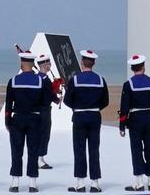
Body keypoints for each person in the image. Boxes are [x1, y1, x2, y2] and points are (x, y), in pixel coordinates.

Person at [62, 50, 110, 193]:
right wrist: (94, 108)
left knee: (79, 149)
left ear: (82, 62)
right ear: (93, 63)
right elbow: (105, 101)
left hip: (79, 117)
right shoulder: (101, 80)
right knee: (94, 150)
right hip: (95, 116)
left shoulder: (75, 79)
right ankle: (95, 183)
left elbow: (67, 100)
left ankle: (80, 182)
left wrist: (77, 108)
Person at [6, 52, 52, 193]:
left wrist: (8, 121)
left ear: (21, 64)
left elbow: (8, 104)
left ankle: (15, 182)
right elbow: (46, 102)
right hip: (35, 119)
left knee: (16, 151)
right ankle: (32, 183)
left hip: (17, 119)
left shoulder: (13, 80)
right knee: (33, 151)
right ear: (33, 64)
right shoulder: (41, 81)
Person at [118, 54, 150, 192]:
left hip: (135, 118)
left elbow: (124, 106)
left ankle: (138, 182)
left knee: (136, 149)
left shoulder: (128, 84)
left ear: (132, 68)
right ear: (143, 67)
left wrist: (122, 125)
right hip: (149, 116)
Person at [34, 54, 60, 172]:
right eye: (48, 64)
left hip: (38, 109)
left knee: (39, 134)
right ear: (44, 65)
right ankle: (40, 159)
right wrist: (57, 98)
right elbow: (48, 94)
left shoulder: (38, 78)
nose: (50, 66)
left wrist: (55, 89)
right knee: (44, 134)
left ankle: (38, 157)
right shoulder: (44, 79)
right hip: (43, 109)